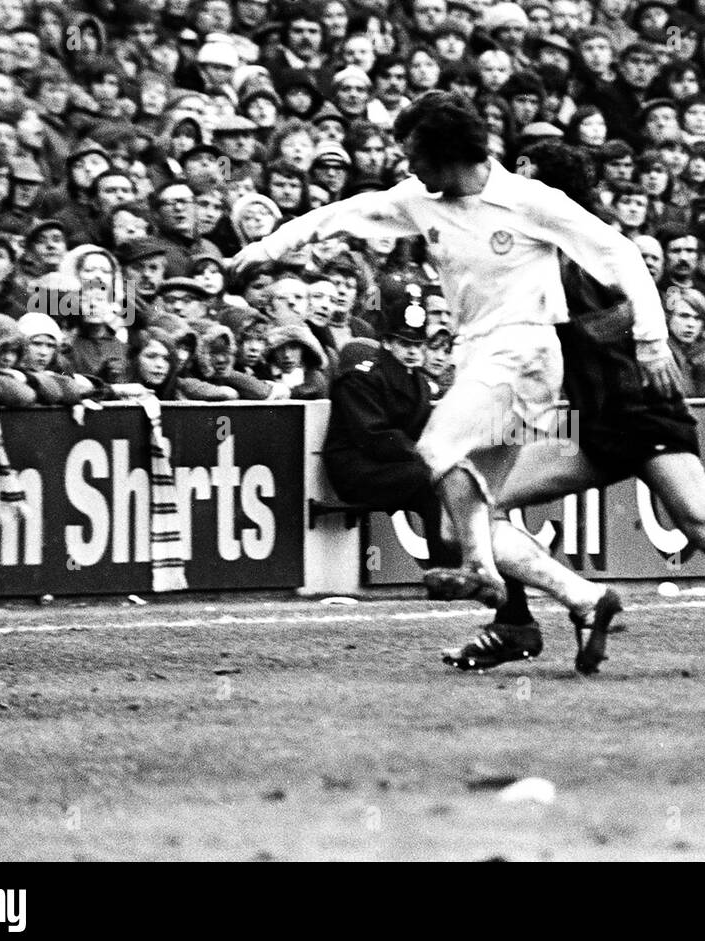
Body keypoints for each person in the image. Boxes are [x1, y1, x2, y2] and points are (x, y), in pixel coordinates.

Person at [233, 92, 677, 672]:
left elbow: (618, 251)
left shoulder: (529, 201)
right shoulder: (421, 200)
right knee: (462, 516)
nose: (408, 168)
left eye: (415, 155)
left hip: (525, 352)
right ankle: (587, 600)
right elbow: (341, 215)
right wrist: (270, 246)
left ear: (447, 154)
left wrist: (651, 337)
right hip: (479, 359)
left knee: (437, 449)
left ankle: (480, 573)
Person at [441, 140, 705, 675]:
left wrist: (549, 328)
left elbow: (628, 313)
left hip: (642, 410)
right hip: (598, 423)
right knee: (480, 506)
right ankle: (515, 625)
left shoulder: (589, 246)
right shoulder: (541, 248)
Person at [321, 284, 459, 572]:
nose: (412, 352)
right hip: (357, 471)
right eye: (404, 343)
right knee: (430, 479)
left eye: (418, 345)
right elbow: (374, 436)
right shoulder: (362, 378)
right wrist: (423, 457)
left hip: (394, 468)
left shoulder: (417, 381)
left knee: (450, 478)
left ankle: (449, 567)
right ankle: (446, 569)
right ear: (386, 342)